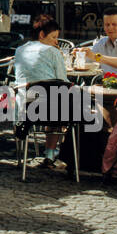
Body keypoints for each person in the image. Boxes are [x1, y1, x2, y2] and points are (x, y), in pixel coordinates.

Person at [11, 13, 71, 163]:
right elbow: (62, 80)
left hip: (24, 107)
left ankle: (22, 155)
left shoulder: (20, 50)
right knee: (62, 99)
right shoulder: (52, 52)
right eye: (53, 37)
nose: (56, 41)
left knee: (51, 96)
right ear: (42, 34)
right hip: (51, 110)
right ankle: (51, 153)